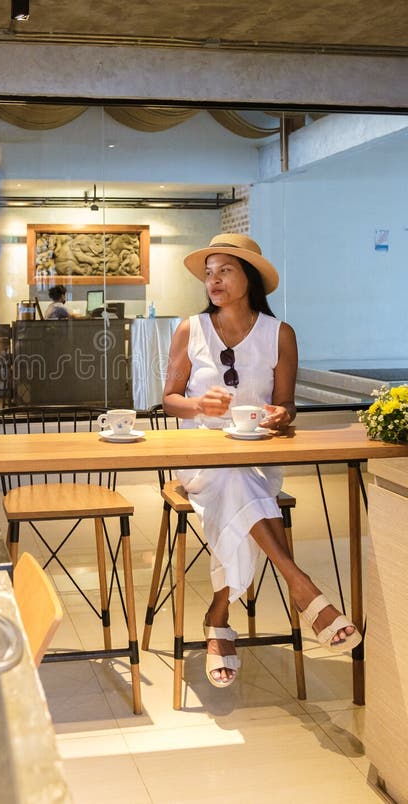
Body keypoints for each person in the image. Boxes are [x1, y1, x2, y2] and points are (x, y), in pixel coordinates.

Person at [162, 233, 360, 689]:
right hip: (200, 457)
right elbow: (169, 398)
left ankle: (219, 617)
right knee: (234, 480)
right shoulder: (191, 329)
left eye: (225, 271)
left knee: (239, 484)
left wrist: (279, 415)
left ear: (249, 277)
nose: (213, 280)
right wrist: (198, 406)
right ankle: (301, 586)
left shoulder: (279, 334)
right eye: (208, 273)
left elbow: (287, 405)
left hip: (257, 458)